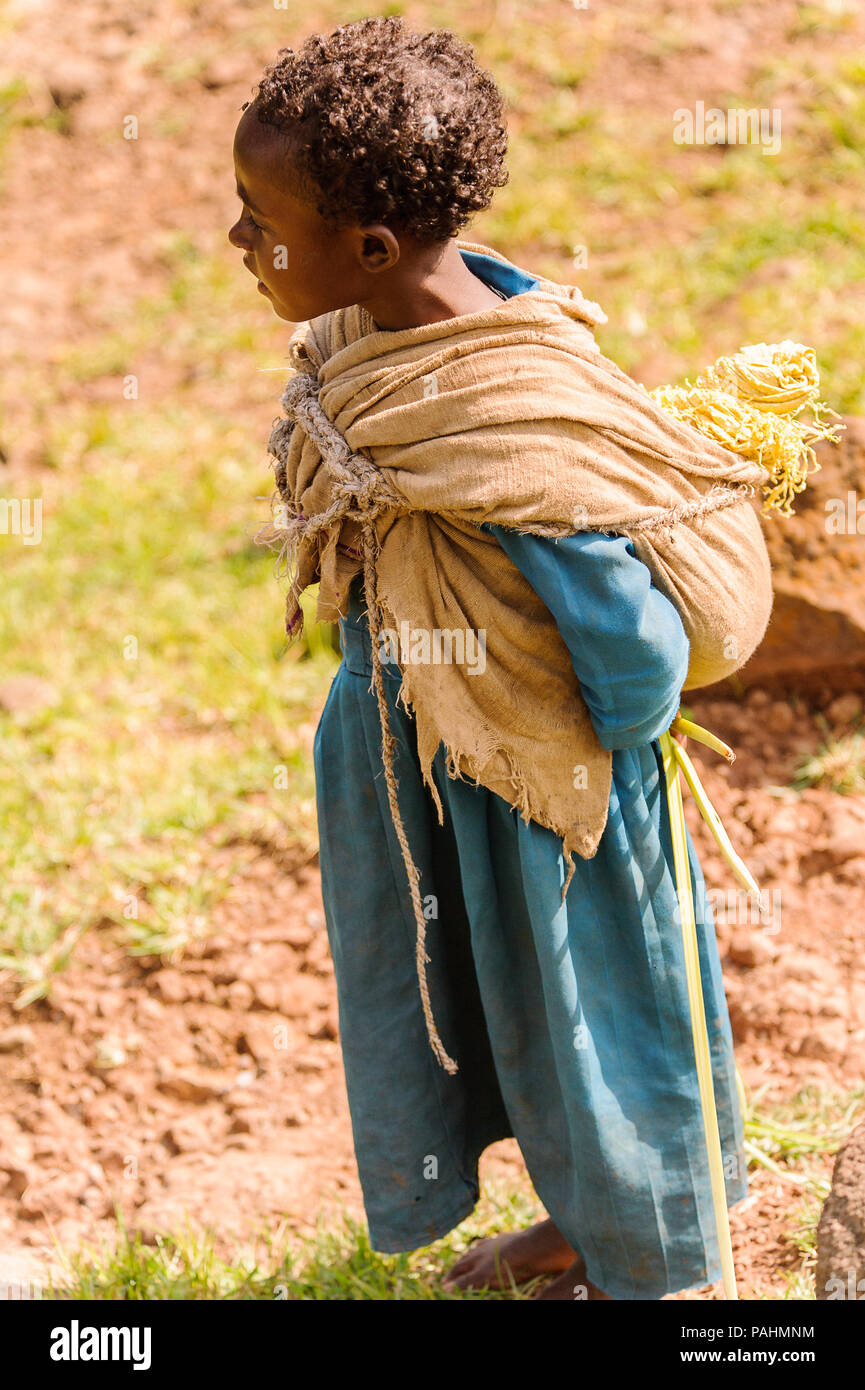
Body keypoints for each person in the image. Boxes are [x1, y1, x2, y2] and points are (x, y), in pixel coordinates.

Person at [229, 15, 747, 1301]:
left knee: (593, 1035)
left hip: (545, 801)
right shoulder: (373, 354)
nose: (239, 242)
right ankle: (576, 1227)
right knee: (495, 1024)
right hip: (437, 773)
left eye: (257, 216)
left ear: (369, 247)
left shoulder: (507, 421)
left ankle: (656, 1270)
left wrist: (540, 735)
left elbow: (633, 652)